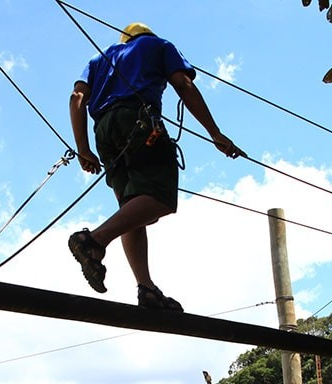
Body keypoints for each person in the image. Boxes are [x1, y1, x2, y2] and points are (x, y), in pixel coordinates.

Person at [68, 21, 244, 310]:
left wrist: (83, 148)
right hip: (138, 122)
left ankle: (146, 288)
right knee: (160, 199)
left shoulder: (98, 59)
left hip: (103, 132)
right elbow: (183, 85)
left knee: (131, 210)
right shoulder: (158, 45)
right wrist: (215, 133)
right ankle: (93, 241)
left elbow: (77, 98)